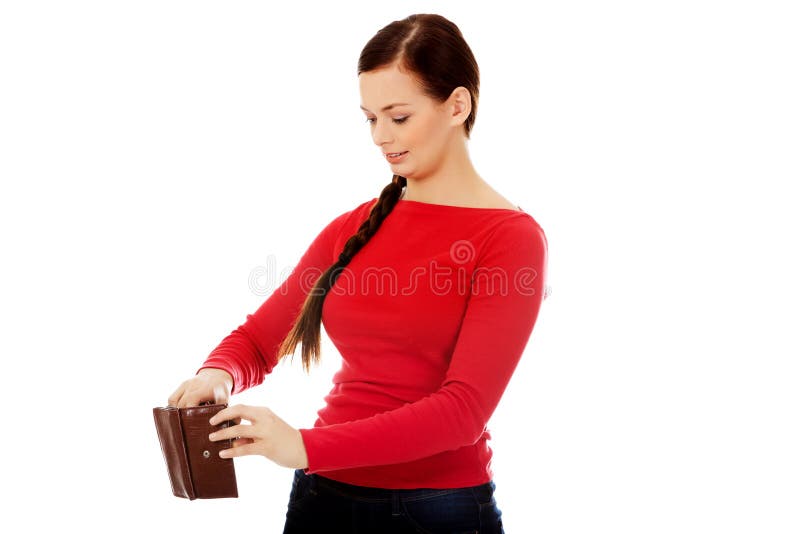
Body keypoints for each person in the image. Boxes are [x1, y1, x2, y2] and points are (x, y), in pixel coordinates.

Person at [167, 13, 549, 533]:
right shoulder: (352, 229)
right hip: (322, 495)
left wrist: (303, 445)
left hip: (437, 509)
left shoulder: (510, 238)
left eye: (398, 117)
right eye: (370, 119)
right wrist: (218, 374)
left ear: (457, 105)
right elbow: (260, 340)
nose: (379, 136)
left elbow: (462, 412)